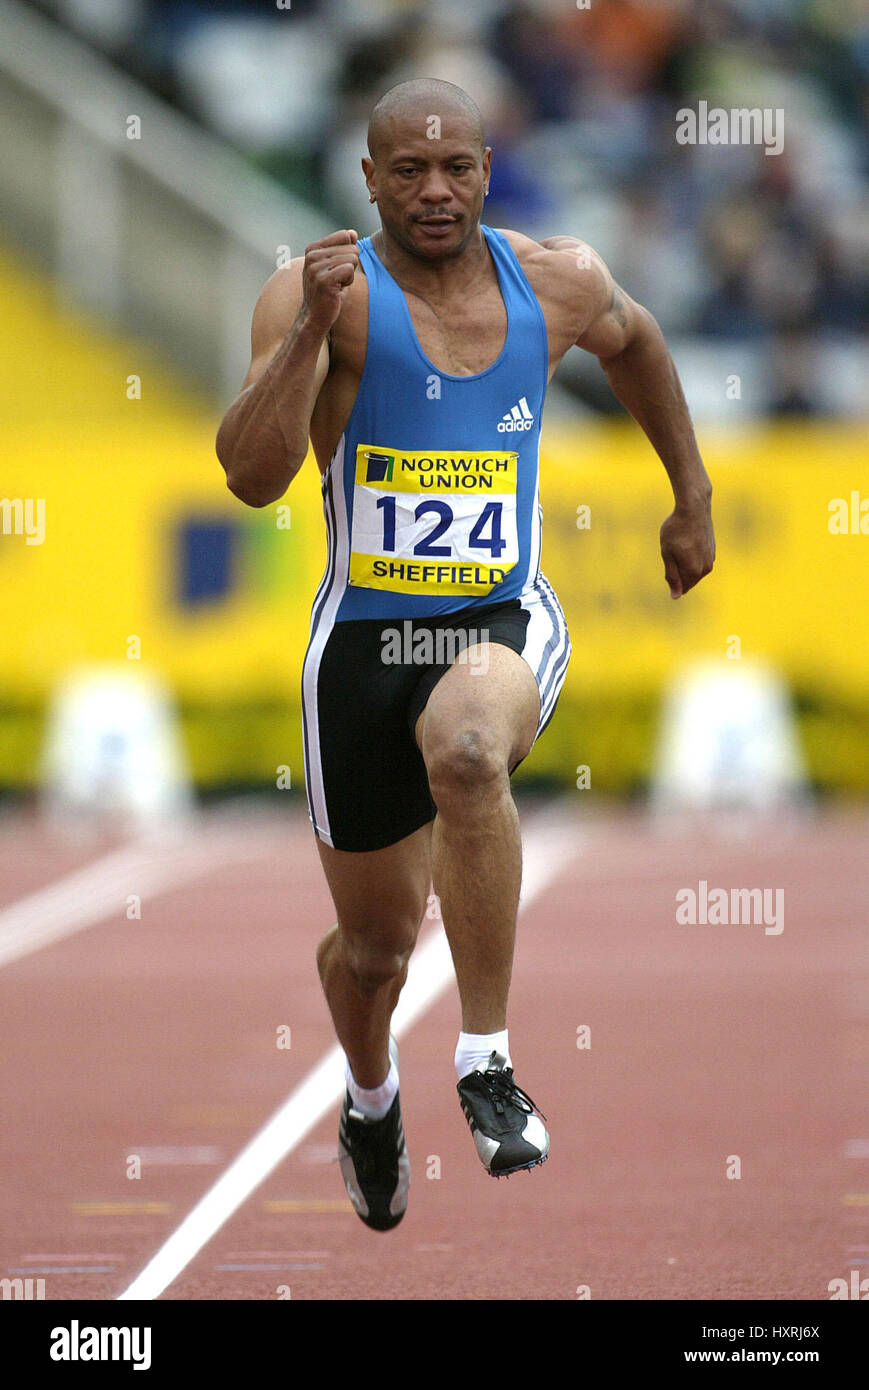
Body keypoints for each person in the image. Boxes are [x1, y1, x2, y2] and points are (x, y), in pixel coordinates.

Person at [216, 78, 715, 1232]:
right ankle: (368, 1094)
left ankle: (484, 1060)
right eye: (407, 171)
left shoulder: (559, 278)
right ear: (368, 179)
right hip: (359, 642)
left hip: (496, 615)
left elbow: (635, 346)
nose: (433, 192)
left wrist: (688, 495)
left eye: (456, 169)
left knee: (471, 753)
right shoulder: (315, 293)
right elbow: (249, 475)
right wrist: (304, 331)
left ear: (489, 169)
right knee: (376, 950)